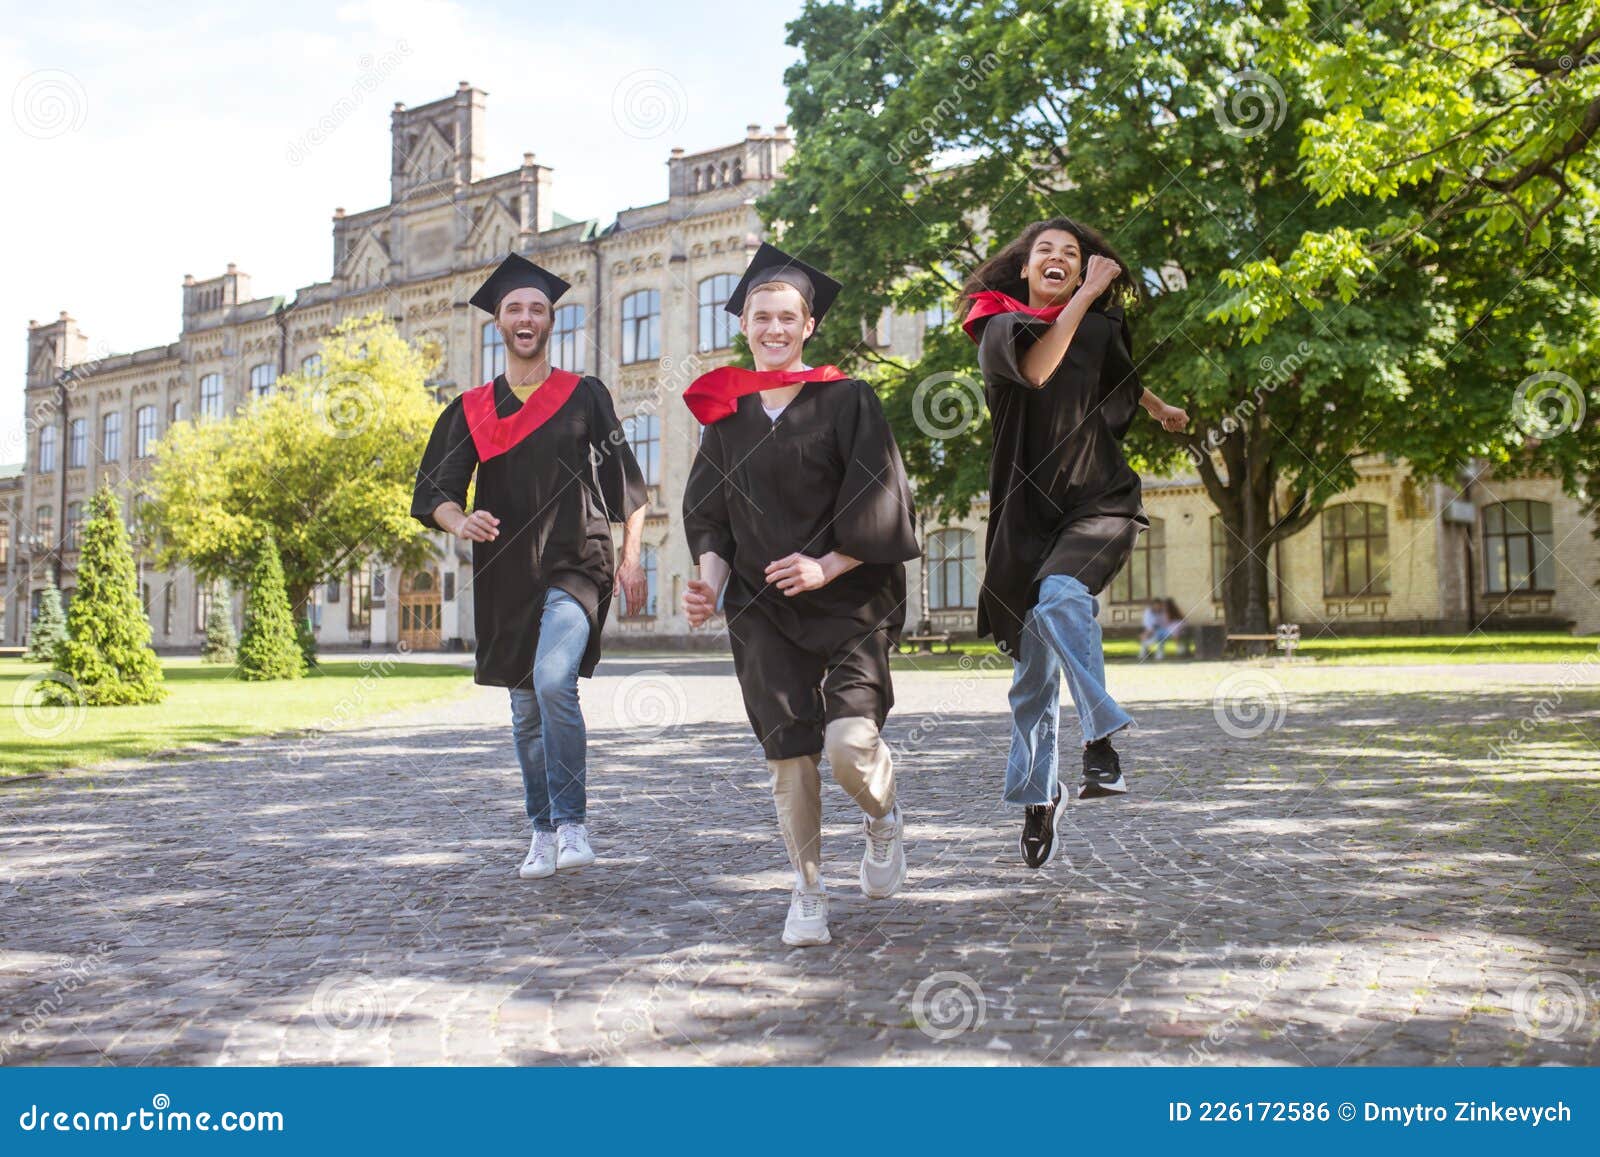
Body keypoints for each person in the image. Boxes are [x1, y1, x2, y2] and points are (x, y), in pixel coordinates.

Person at [682, 243, 921, 946]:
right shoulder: (726, 415)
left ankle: (882, 817)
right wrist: (708, 583)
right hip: (764, 610)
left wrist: (827, 564)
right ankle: (809, 886)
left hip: (851, 603)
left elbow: (885, 500)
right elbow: (710, 519)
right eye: (762, 317)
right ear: (746, 324)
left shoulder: (847, 399)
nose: (775, 329)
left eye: (788, 317)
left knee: (849, 746)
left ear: (808, 325)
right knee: (789, 753)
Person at [411, 253, 648, 880]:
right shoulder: (469, 410)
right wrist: (459, 522)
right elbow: (434, 491)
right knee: (524, 710)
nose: (525, 317)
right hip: (505, 572)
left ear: (550, 321)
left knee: (551, 680)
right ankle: (540, 830)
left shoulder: (583, 395)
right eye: (514, 308)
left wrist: (630, 560)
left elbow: (629, 485)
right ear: (498, 323)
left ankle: (572, 824)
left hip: (578, 560)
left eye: (537, 309)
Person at [961, 217, 1188, 868]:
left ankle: (1101, 738)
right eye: (1046, 252)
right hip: (1026, 521)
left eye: (1073, 253)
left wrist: (1159, 410)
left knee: (1063, 597)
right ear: (1026, 271)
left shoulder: (1099, 326)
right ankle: (1040, 795)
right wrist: (1087, 293)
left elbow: (1118, 374)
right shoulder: (997, 328)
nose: (1059, 258)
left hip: (1099, 501)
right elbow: (1039, 372)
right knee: (1032, 681)